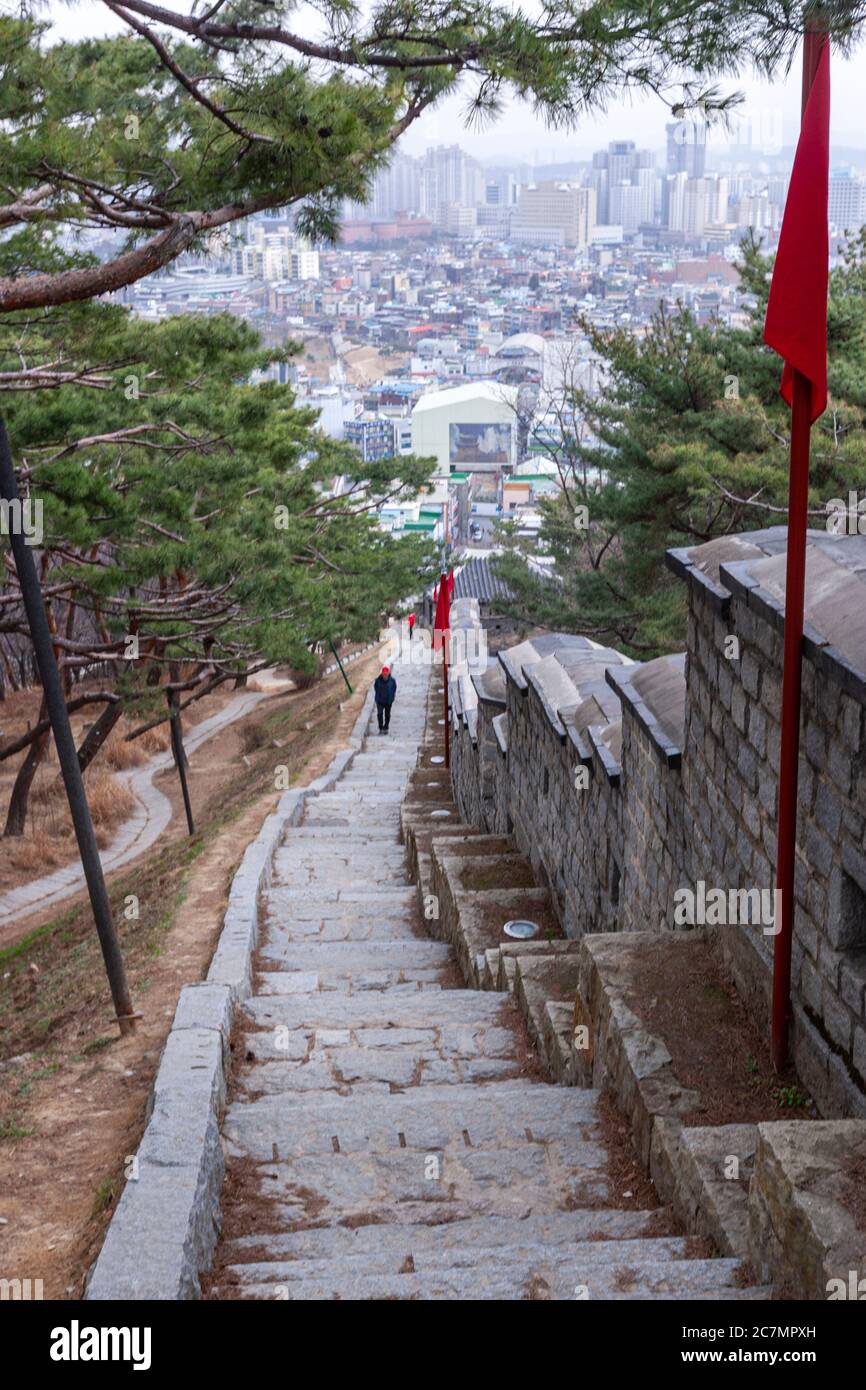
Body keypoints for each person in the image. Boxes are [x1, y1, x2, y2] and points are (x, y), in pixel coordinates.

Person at [374, 665, 397, 734]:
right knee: (379, 714)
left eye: (386, 675)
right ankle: (381, 728)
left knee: (387, 714)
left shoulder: (392, 681)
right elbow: (375, 688)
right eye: (384, 675)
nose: (385, 676)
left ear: (388, 674)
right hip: (380, 701)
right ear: (382, 674)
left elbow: (394, 689)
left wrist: (392, 697)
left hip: (388, 701)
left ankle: (386, 727)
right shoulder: (378, 680)